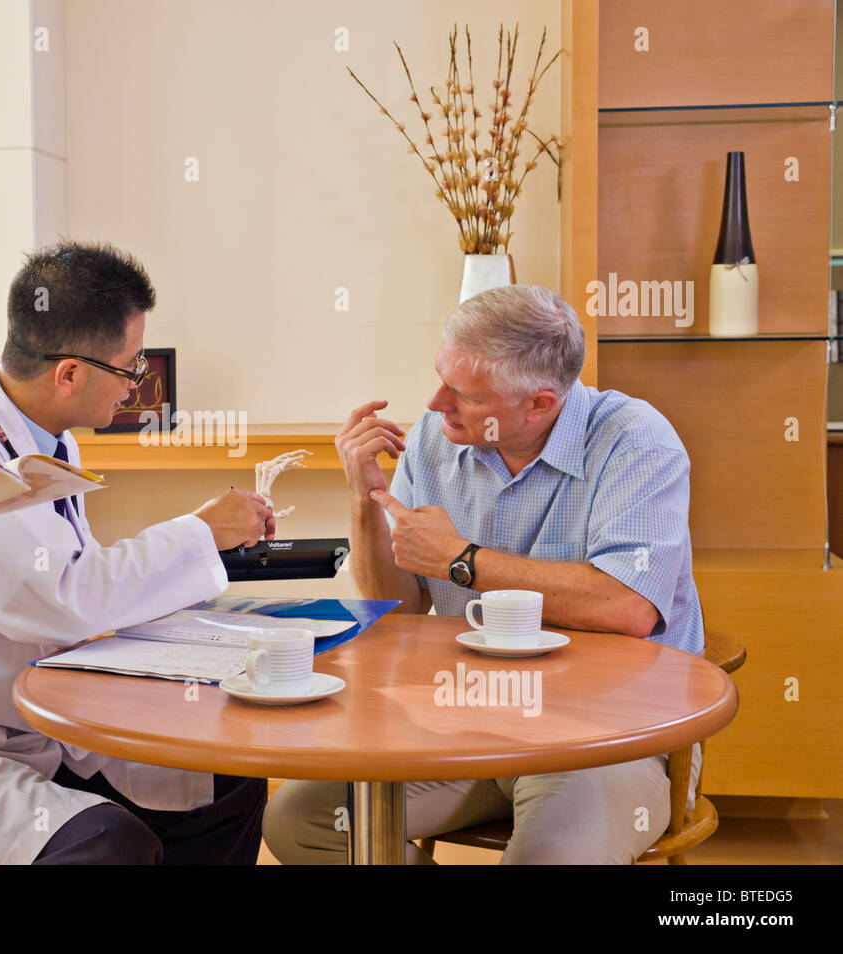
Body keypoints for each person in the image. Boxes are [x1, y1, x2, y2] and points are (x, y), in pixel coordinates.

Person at [0, 241, 272, 864]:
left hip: (39, 729)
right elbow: (57, 599)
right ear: (70, 374)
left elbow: (69, 587)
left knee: (228, 777)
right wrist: (200, 531)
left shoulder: (45, 435)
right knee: (110, 845)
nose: (137, 386)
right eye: (131, 368)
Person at [264, 283, 706, 865]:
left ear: (540, 404)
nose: (434, 403)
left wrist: (460, 559)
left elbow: (626, 606)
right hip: (465, 720)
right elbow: (392, 602)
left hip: (612, 736)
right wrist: (361, 495)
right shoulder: (433, 439)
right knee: (302, 819)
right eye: (441, 376)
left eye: (463, 393)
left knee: (548, 855)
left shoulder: (635, 441)